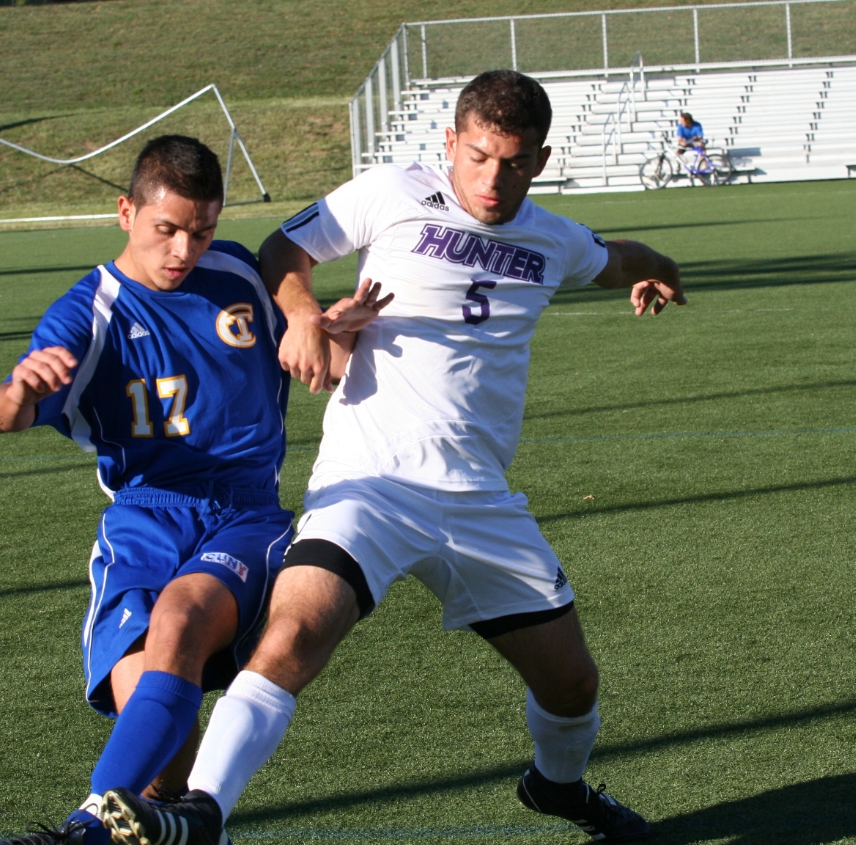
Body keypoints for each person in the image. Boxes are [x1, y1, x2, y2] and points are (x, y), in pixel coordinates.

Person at [99, 70, 686, 845]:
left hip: (478, 498)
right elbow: (285, 247)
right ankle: (201, 813)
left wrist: (662, 273)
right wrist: (304, 315)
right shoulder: (392, 192)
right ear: (450, 141)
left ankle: (558, 787)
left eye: (511, 162)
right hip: (368, 484)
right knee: (292, 637)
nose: (490, 177)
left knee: (573, 683)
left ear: (539, 161)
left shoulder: (553, 239)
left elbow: (617, 256)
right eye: (476, 155)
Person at [0, 134, 388, 845]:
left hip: (244, 516)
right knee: (163, 758)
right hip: (141, 521)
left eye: (200, 231)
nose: (183, 250)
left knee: (178, 621)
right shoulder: (90, 312)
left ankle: (82, 829)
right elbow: (3, 414)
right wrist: (19, 391)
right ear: (125, 212)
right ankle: (191, 829)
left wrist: (331, 334)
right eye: (166, 229)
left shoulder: (237, 275)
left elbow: (316, 360)